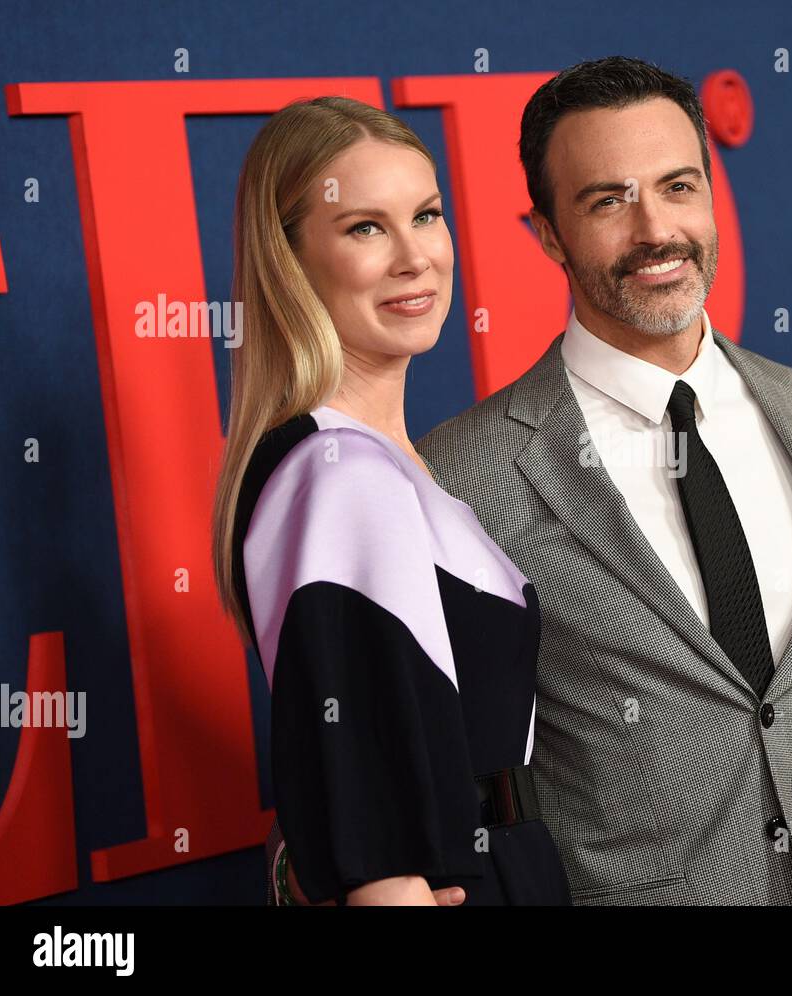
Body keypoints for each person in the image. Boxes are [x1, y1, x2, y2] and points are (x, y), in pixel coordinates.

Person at [415, 57, 792, 904]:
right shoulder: (463, 474)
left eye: (678, 187)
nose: (655, 230)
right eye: (608, 200)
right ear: (547, 235)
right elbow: (436, 769)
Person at [210, 95, 571, 906]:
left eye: (427, 215)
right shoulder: (344, 475)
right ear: (290, 259)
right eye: (365, 227)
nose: (416, 257)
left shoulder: (386, 466)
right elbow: (372, 820)